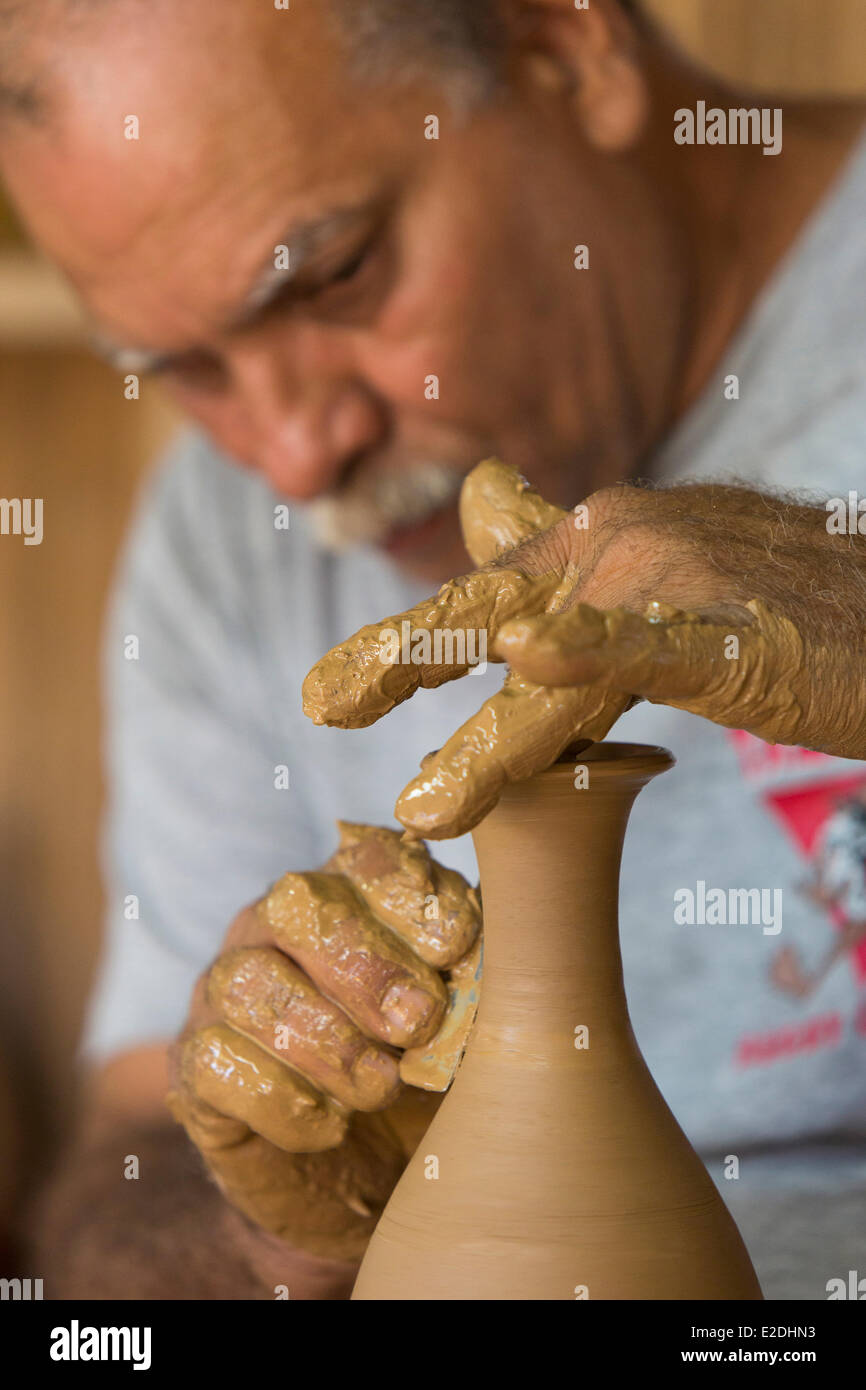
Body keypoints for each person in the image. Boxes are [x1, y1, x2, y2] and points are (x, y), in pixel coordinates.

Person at [1, 0, 864, 1299]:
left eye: (332, 276)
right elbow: (119, 1180)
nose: (293, 455)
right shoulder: (222, 534)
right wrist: (270, 1215)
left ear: (565, 46)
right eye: (186, 367)